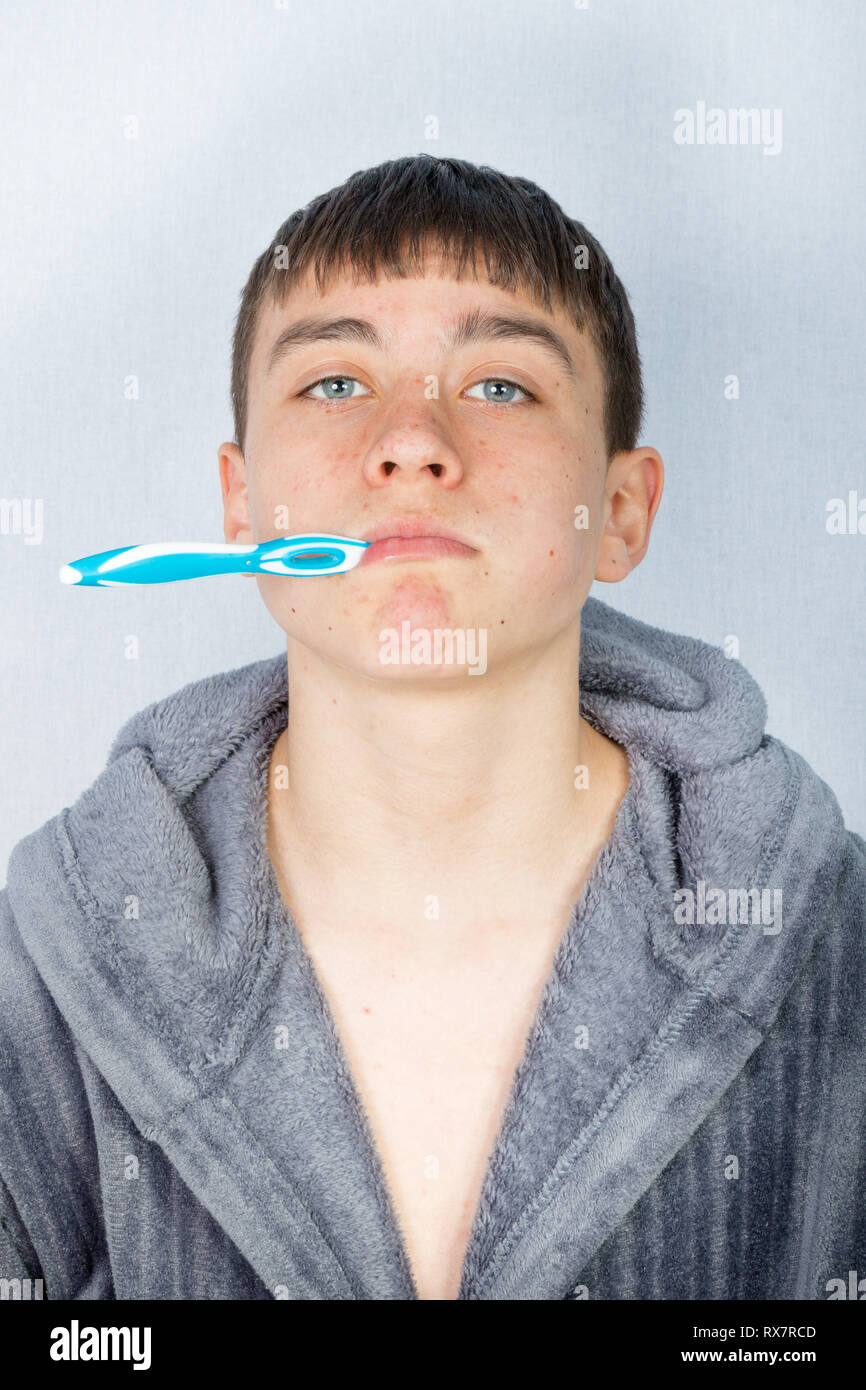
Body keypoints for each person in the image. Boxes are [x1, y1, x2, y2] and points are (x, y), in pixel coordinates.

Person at [1, 155, 863, 1302]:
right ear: (241, 503)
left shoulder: (838, 954)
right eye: (334, 384)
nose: (412, 442)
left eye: (500, 385)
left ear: (619, 513)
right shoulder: (42, 977)